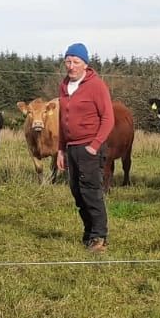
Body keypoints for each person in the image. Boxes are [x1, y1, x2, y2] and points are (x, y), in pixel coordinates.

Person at [54, 42, 114, 253]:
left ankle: (99, 237)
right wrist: (61, 149)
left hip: (89, 147)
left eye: (75, 62)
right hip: (71, 148)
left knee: (91, 191)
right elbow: (63, 120)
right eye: (67, 61)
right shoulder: (64, 86)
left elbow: (108, 118)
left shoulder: (96, 86)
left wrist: (95, 145)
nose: (71, 66)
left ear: (85, 64)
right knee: (77, 192)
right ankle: (89, 233)